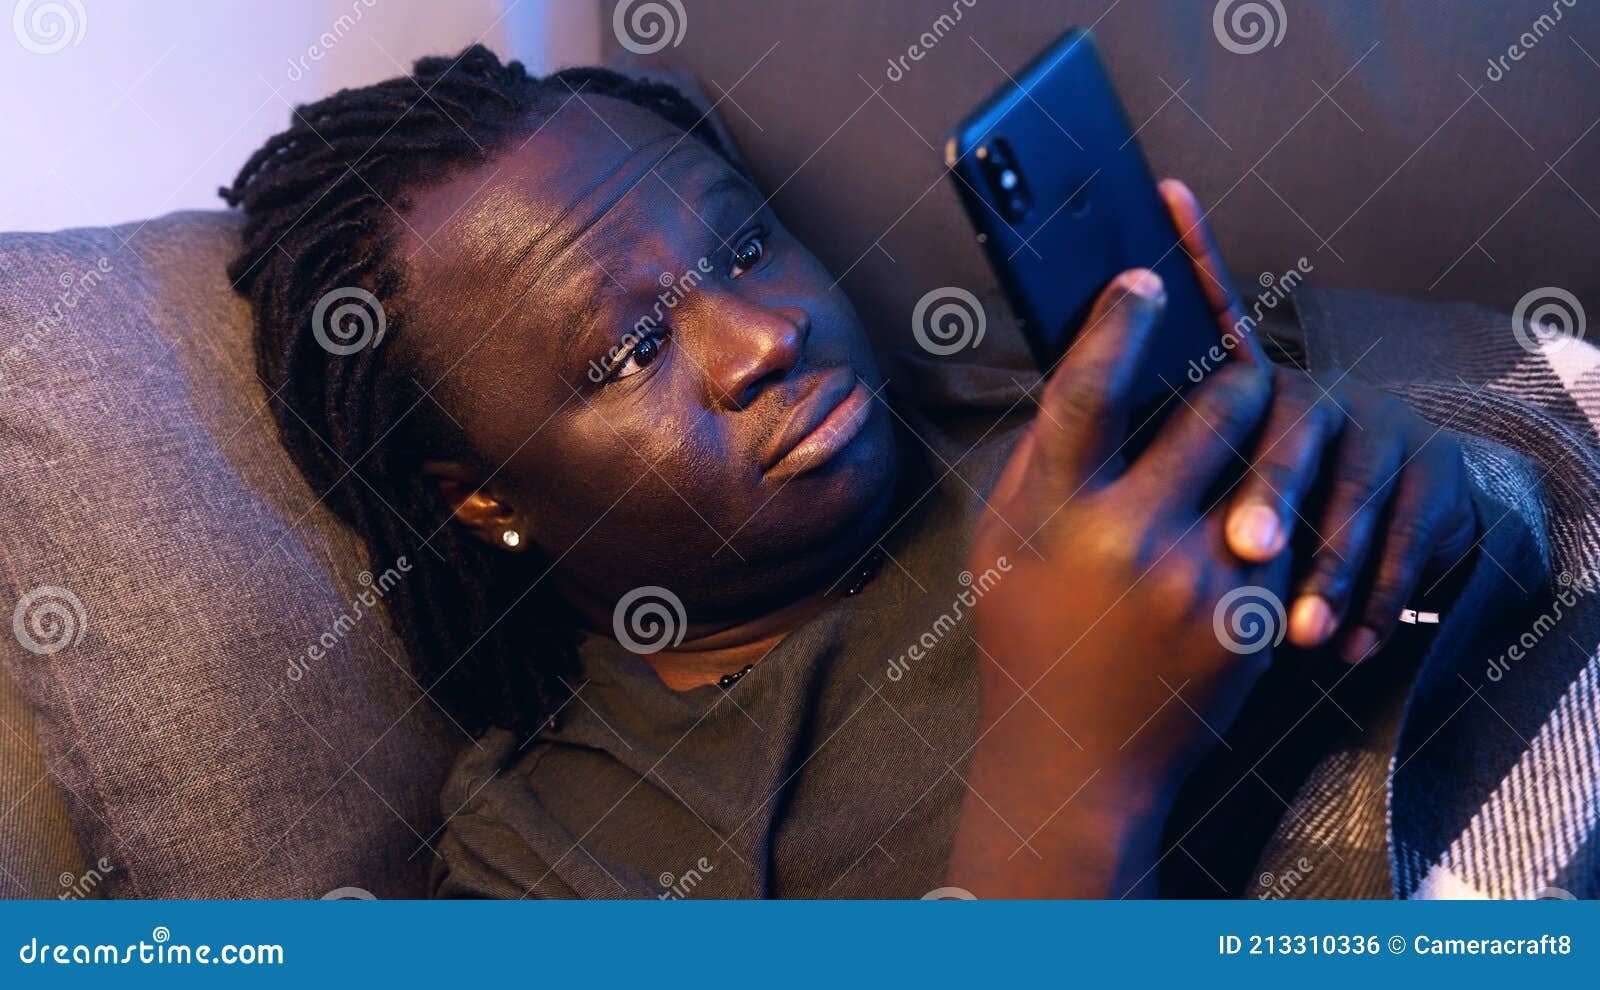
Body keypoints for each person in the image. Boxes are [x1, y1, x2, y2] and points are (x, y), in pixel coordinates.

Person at [223, 47, 1593, 899]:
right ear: (484, 495)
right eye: (636, 344)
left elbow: (1545, 432)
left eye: (746, 243)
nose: (767, 333)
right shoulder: (554, 867)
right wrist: (1074, 782)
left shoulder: (1044, 401)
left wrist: (1448, 484)